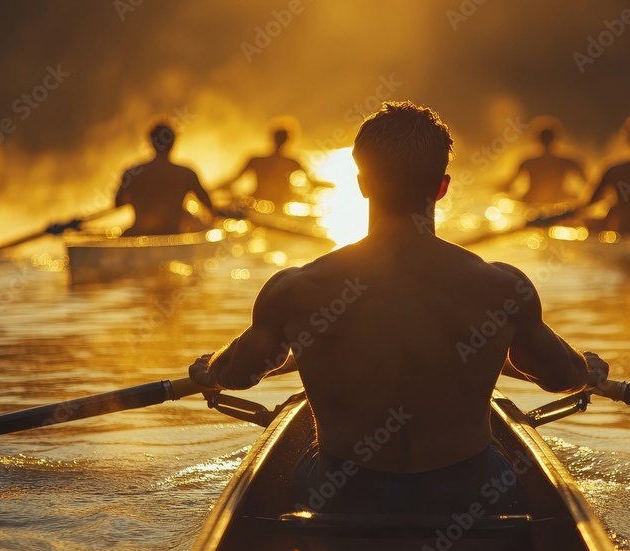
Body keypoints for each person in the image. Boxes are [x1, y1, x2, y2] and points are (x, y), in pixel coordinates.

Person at [188, 101, 608, 513]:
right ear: (442, 187)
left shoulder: (298, 287)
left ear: (362, 184)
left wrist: (210, 367)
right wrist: (587, 368)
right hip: (467, 492)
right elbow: (561, 377)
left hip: (344, 493)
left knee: (290, 463)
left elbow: (239, 374)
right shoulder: (502, 287)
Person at [115, 123, 214, 236]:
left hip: (138, 236)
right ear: (173, 144)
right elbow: (208, 204)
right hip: (172, 235)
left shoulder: (132, 173)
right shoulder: (186, 174)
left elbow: (118, 203)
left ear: (150, 142)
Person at [221, 127, 329, 210]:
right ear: (288, 141)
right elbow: (312, 183)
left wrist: (221, 188)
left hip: (257, 203)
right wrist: (329, 186)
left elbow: (234, 180)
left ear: (272, 138)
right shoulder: (293, 163)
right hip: (282, 205)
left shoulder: (256, 160)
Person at [500, 127, 586, 207]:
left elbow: (509, 185)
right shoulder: (567, 161)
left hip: (532, 202)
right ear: (555, 140)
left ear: (538, 140)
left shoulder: (528, 162)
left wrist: (499, 190)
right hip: (560, 204)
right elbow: (586, 184)